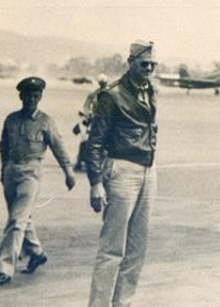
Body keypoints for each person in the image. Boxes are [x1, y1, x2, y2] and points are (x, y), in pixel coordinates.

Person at [86, 40, 158, 307]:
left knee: (138, 247)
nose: (148, 68)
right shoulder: (112, 94)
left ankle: (123, 303)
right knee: (112, 248)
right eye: (143, 64)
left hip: (148, 171)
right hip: (121, 169)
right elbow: (94, 142)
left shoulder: (151, 90)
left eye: (152, 64)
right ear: (130, 63)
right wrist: (96, 183)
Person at [0, 77, 76, 286]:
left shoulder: (46, 121)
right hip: (11, 171)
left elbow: (59, 148)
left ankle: (5, 268)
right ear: (21, 96)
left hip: (31, 173)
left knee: (16, 221)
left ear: (40, 97)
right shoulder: (11, 119)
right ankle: (36, 253)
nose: (31, 99)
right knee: (20, 218)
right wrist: (3, 170)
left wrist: (68, 172)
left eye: (35, 95)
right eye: (27, 95)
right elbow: (3, 146)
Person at [74, 74, 109, 173]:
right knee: (85, 140)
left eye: (104, 83)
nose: (103, 85)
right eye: (101, 83)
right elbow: (86, 107)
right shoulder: (93, 94)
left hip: (104, 122)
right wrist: (87, 115)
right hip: (94, 121)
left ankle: (98, 163)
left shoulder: (111, 95)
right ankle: (80, 162)